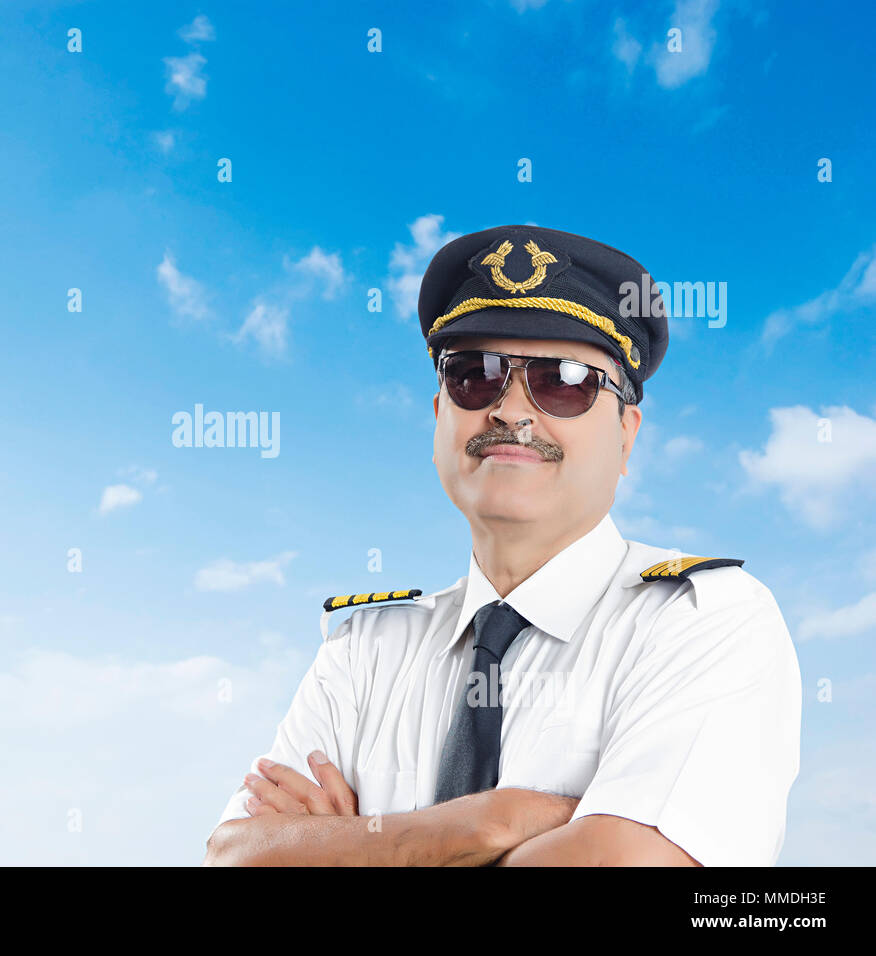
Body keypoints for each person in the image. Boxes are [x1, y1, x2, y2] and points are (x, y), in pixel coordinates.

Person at [203, 225, 801, 866]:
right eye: (475, 376)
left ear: (627, 434)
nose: (511, 410)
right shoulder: (367, 648)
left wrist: (350, 848)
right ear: (440, 416)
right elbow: (231, 857)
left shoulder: (704, 620)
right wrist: (491, 824)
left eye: (565, 380)